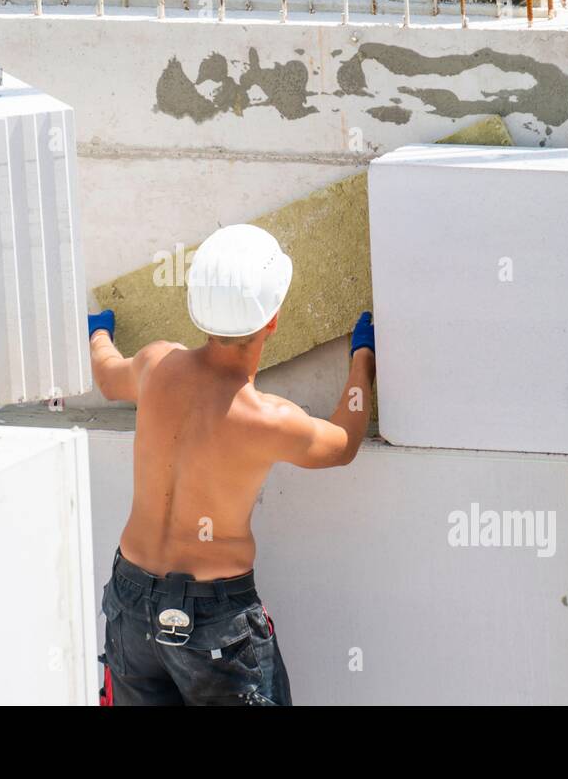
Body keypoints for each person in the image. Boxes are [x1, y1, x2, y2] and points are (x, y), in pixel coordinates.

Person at [87, 223, 376, 705]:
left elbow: (107, 375)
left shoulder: (156, 365)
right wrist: (362, 358)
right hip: (213, 627)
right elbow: (344, 441)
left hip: (130, 605)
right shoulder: (268, 419)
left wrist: (100, 334)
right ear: (273, 321)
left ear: (199, 314)